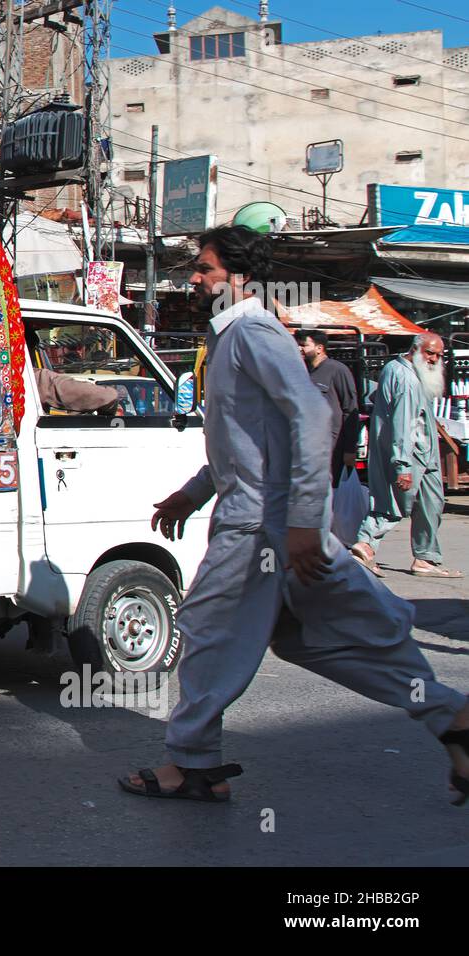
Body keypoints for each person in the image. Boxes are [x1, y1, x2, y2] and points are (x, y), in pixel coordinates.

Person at [120, 225, 469, 805]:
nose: (195, 277)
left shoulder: (252, 330)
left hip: (263, 525)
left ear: (239, 276)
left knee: (207, 631)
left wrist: (306, 522)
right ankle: (451, 716)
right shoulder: (235, 334)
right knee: (313, 641)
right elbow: (252, 438)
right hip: (269, 519)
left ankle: (193, 764)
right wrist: (194, 492)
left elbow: (308, 417)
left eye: (204, 268)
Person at [350, 333, 460, 578]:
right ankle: (365, 545)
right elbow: (403, 422)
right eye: (429, 353)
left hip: (424, 452)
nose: (433, 359)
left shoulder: (397, 368)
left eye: (438, 355)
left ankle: (425, 558)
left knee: (431, 503)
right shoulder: (406, 378)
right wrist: (403, 465)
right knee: (394, 502)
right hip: (408, 453)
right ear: (416, 349)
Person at [296, 329, 359, 486]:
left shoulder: (337, 370)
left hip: (333, 448)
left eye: (304, 345)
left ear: (319, 348)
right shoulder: (301, 372)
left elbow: (350, 409)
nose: (299, 348)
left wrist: (349, 449)